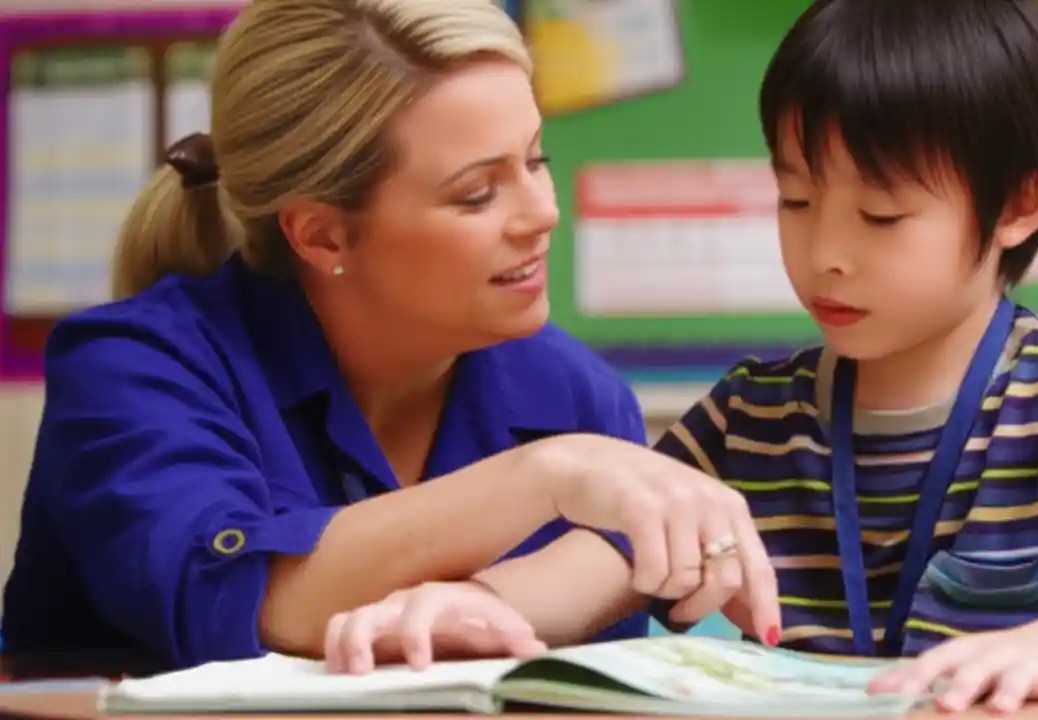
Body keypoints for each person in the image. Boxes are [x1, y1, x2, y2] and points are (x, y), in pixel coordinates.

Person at [334, 0, 1038, 712]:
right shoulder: (750, 416)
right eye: (796, 201)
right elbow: (597, 560)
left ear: (1020, 204)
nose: (826, 254)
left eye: (882, 216)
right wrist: (478, 605)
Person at [0, 0, 780, 673]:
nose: (542, 211)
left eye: (536, 160)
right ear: (321, 235)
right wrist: (545, 474)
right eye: (477, 193)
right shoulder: (132, 370)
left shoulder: (575, 395)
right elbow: (230, 599)